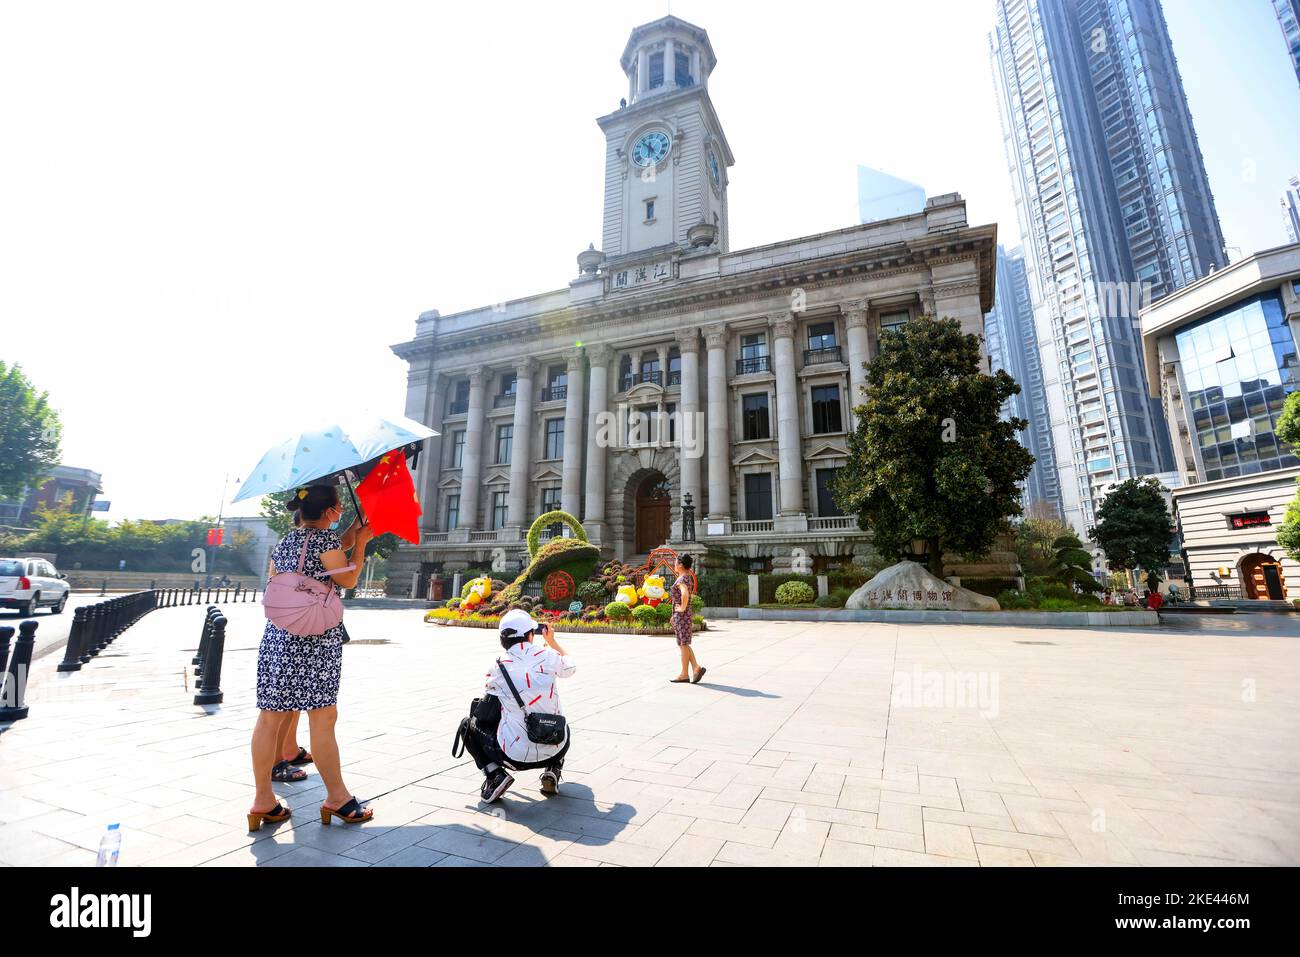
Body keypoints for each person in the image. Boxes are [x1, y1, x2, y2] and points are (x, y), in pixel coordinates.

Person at [247, 484, 375, 832]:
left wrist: (353, 530)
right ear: (331, 510)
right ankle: (336, 797)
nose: (339, 513)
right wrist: (361, 543)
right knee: (323, 717)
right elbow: (345, 577)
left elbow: (312, 563)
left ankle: (263, 800)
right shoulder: (326, 543)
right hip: (315, 637)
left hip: (279, 635)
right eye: (338, 508)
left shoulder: (287, 541)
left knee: (269, 718)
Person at [459, 609, 576, 803]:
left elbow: (486, 711)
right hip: (555, 748)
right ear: (531, 635)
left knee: (467, 726)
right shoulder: (549, 656)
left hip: (513, 757)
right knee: (561, 724)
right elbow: (570, 667)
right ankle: (553, 770)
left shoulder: (497, 667)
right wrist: (553, 642)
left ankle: (495, 775)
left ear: (502, 639)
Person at [669, 554, 705, 684]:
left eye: (675, 562)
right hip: (682, 615)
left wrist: (682, 608)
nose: (674, 565)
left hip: (682, 615)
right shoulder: (686, 577)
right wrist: (675, 614)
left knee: (683, 644)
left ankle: (684, 674)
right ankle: (696, 668)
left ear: (680, 565)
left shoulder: (682, 579)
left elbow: (684, 594)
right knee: (684, 644)